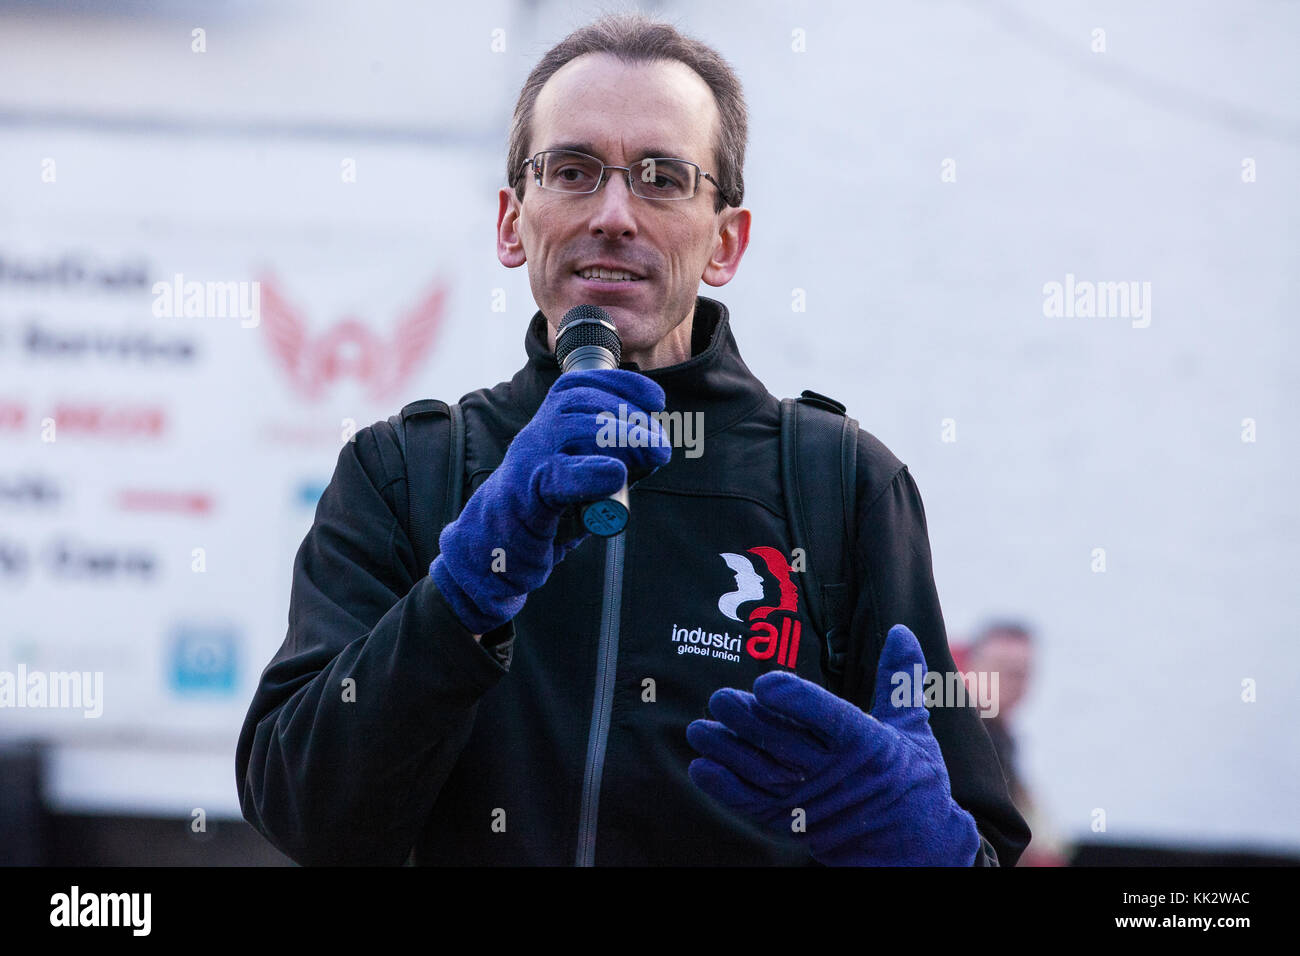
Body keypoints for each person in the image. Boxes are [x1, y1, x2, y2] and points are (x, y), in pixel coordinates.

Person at [236, 12, 1031, 866]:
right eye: (572, 171)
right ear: (512, 223)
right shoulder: (403, 472)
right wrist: (460, 598)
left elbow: (982, 842)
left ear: (726, 241)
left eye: (662, 178)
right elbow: (302, 812)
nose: (613, 214)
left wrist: (927, 851)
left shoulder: (841, 487)